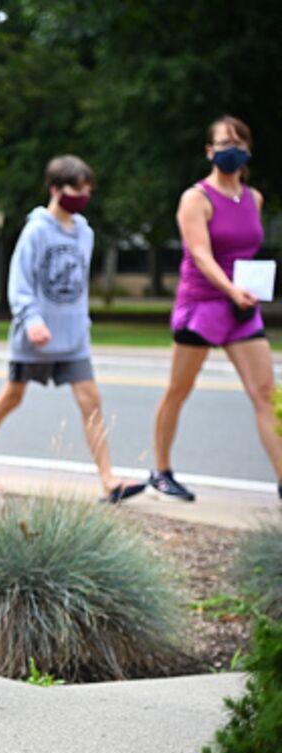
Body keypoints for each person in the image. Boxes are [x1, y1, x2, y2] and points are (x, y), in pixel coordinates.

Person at [0, 155, 146, 503]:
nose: (83, 195)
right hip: (35, 335)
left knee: (91, 401)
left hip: (73, 338)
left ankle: (109, 481)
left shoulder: (85, 232)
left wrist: (82, 323)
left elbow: (80, 285)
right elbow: (19, 282)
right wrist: (32, 320)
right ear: (55, 189)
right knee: (12, 397)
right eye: (77, 188)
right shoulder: (36, 230)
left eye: (88, 190)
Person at [149, 115, 281, 501]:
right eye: (223, 144)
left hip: (242, 309)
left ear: (249, 150)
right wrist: (230, 289)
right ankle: (161, 471)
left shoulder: (254, 198)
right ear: (209, 151)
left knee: (265, 393)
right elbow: (201, 255)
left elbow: (247, 249)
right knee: (179, 389)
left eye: (238, 144)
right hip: (203, 304)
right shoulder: (196, 198)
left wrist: (247, 290)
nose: (231, 151)